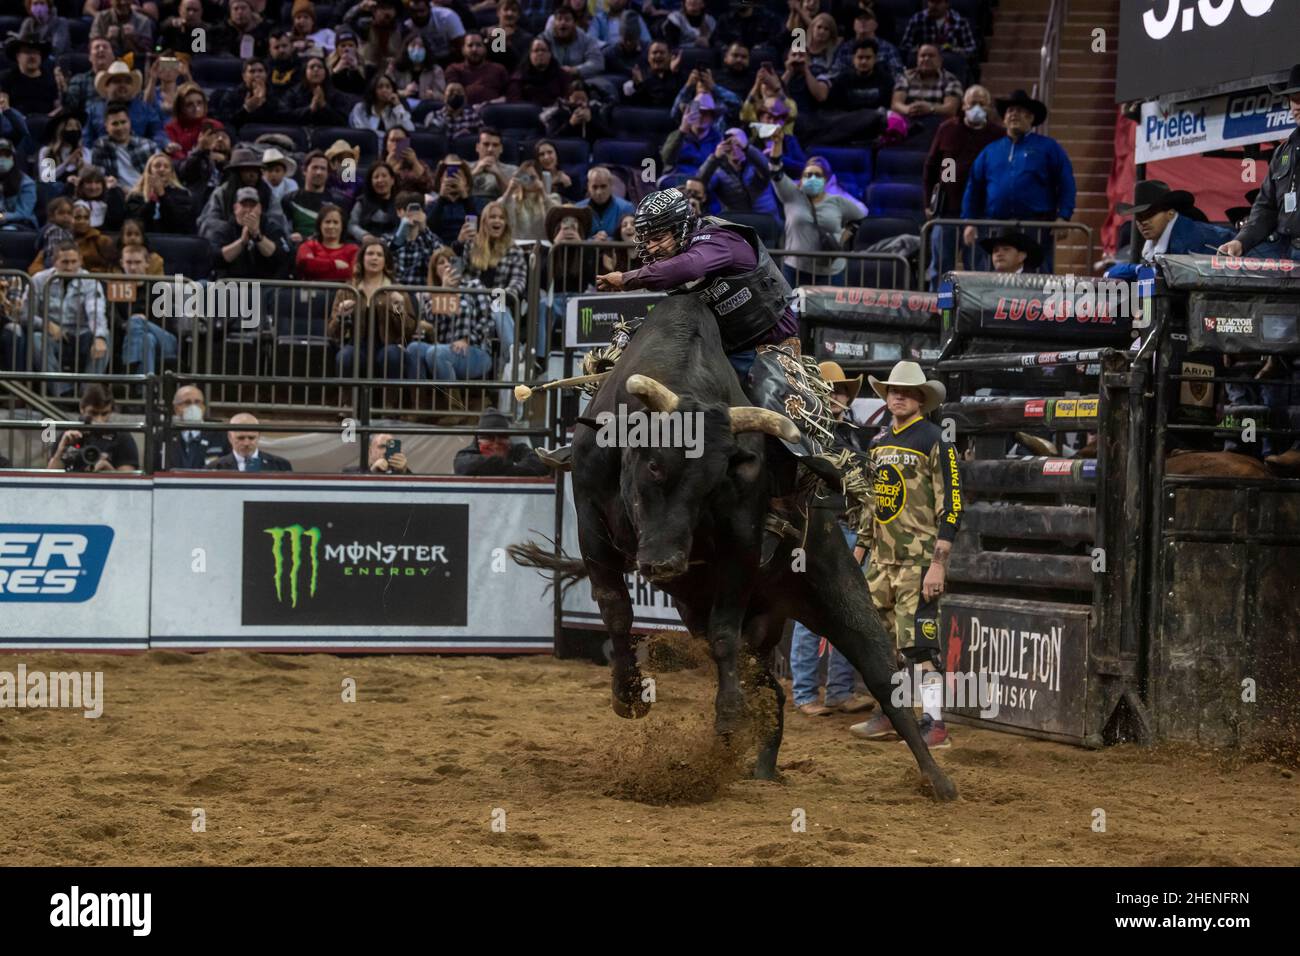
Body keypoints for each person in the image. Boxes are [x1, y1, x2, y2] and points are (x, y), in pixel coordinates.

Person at [848, 361, 961, 749]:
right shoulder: (878, 443)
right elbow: (871, 503)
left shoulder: (936, 440)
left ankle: (936, 723)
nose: (898, 395)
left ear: (921, 399)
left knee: (919, 642)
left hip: (918, 559)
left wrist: (937, 564)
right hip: (881, 559)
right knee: (879, 639)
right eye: (893, 389)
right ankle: (890, 712)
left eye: (907, 391)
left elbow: (952, 504)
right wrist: (859, 552)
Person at [789, 361, 874, 717]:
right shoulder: (806, 434)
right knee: (812, 608)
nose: (837, 396)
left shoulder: (849, 434)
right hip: (821, 526)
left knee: (851, 610)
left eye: (841, 390)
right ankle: (806, 692)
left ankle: (838, 690)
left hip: (850, 525)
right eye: (831, 390)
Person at [961, 89, 1076, 274]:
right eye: (1010, 111)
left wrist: (1064, 215)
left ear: (1031, 118)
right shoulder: (989, 150)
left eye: (1020, 111)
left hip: (1037, 226)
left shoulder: (1048, 147)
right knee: (992, 278)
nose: (1014, 114)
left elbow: (1066, 181)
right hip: (996, 225)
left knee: (1039, 277)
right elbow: (972, 185)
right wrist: (968, 220)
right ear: (1004, 118)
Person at [1217, 65, 1300, 262]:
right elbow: (1266, 207)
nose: (1295, 106)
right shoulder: (1283, 152)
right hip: (1291, 252)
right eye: (1292, 99)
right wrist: (1241, 241)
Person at [924, 83, 1002, 286]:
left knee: (979, 270)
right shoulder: (948, 129)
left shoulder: (997, 135)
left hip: (981, 215)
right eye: (972, 103)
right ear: (964, 106)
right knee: (940, 269)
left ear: (989, 107)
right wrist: (928, 202)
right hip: (948, 212)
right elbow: (934, 166)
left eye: (982, 103)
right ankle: (939, 312)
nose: (977, 107)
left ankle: (977, 315)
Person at [769, 147, 865, 286]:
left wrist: (845, 235)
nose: (813, 178)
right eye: (808, 175)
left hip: (831, 273)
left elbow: (860, 216)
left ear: (825, 180)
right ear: (801, 179)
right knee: (795, 307)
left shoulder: (837, 201)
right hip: (795, 270)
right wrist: (777, 143)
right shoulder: (791, 195)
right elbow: (775, 171)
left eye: (818, 175)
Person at [328, 238, 418, 380]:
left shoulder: (397, 290)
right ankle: (348, 402)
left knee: (392, 355)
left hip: (389, 345)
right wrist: (341, 317)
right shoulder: (348, 289)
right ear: (362, 258)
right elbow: (332, 333)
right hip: (357, 346)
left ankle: (388, 402)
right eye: (370, 254)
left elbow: (409, 331)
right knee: (345, 356)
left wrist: (399, 311)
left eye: (379, 255)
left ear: (385, 261)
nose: (374, 258)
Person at [27, 241, 110, 395]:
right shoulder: (39, 280)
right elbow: (26, 313)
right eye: (65, 262)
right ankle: (62, 392)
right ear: (55, 262)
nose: (70, 267)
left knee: (104, 337)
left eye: (74, 262)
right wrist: (46, 324)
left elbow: (96, 311)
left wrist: (99, 336)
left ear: (81, 261)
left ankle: (87, 393)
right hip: (54, 337)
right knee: (36, 338)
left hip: (82, 334)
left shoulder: (90, 280)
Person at [1107, 181, 1231, 281]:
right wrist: (1139, 269)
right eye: (1139, 216)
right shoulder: (1156, 240)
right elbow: (1109, 273)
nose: (1143, 222)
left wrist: (1143, 271)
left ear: (1170, 214)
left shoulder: (1190, 240)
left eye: (1151, 214)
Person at [408, 246, 495, 380]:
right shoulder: (433, 295)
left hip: (475, 350)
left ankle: (452, 400)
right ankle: (420, 399)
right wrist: (444, 291)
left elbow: (487, 321)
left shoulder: (474, 286)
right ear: (435, 271)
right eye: (441, 262)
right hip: (443, 348)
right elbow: (431, 321)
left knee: (435, 353)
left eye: (451, 261)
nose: (447, 264)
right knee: (414, 348)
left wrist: (467, 339)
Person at [457, 199, 529, 352]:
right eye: (493, 217)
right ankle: (514, 357)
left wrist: (502, 296)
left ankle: (513, 356)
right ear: (484, 222)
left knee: (497, 309)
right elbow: (459, 274)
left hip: (500, 299)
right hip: (473, 300)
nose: (498, 221)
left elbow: (519, 281)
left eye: (501, 217)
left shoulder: (514, 250)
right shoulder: (471, 245)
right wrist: (459, 244)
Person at [113, 241, 178, 375]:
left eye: (137, 262)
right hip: (138, 340)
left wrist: (140, 322)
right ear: (121, 263)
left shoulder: (158, 287)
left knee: (137, 322)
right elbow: (115, 320)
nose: (133, 267)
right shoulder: (116, 289)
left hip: (165, 339)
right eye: (129, 262)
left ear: (147, 263)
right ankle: (143, 389)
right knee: (146, 339)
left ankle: (130, 370)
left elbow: (164, 321)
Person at [203, 186, 292, 281]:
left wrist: (258, 237)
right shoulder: (223, 229)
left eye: (252, 205)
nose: (248, 210)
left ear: (260, 208)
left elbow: (282, 256)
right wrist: (242, 242)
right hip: (231, 288)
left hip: (266, 287)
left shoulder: (272, 228)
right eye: (244, 205)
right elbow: (215, 258)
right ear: (235, 208)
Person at [46, 383, 139, 472]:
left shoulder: (121, 436)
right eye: (93, 413)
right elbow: (48, 480)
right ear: (82, 408)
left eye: (104, 413)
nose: (99, 420)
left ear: (111, 410)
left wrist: (109, 470)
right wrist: (60, 452)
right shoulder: (69, 436)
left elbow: (130, 482)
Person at [696, 126, 775, 216]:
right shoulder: (719, 172)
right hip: (740, 223)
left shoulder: (756, 165)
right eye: (729, 144)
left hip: (766, 218)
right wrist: (715, 158)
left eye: (738, 144)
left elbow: (768, 169)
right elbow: (699, 184)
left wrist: (746, 148)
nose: (734, 148)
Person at [453, 407, 549, 476]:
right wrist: (512, 466)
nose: (496, 443)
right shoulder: (465, 456)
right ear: (478, 439)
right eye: (489, 437)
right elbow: (464, 465)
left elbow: (539, 463)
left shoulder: (519, 449)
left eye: (502, 436)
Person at [90, 101, 157, 193]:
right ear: (106, 127)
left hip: (147, 194)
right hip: (118, 196)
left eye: (123, 122)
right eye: (115, 124)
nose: (120, 127)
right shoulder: (101, 146)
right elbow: (100, 177)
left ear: (129, 122)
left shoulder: (148, 145)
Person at [162, 384, 230, 470]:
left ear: (204, 407)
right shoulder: (164, 435)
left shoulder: (220, 433)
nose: (193, 407)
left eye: (197, 402)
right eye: (187, 402)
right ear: (176, 409)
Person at [124, 151, 195, 234]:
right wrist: (152, 199)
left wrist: (162, 195)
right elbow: (137, 222)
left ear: (171, 172)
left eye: (166, 167)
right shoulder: (135, 195)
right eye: (157, 166)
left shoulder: (182, 194)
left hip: (173, 239)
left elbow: (179, 223)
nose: (162, 169)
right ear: (149, 171)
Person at [890, 43, 962, 124]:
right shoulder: (906, 77)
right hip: (909, 121)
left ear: (940, 60)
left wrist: (930, 109)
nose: (926, 59)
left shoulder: (951, 80)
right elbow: (896, 104)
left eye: (931, 56)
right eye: (923, 56)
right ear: (917, 60)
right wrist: (909, 109)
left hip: (937, 124)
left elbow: (951, 110)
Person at [899, 0, 977, 67]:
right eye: (931, 2)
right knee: (913, 58)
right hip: (923, 62)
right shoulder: (917, 19)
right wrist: (921, 50)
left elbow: (971, 49)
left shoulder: (959, 21)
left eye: (938, 2)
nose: (934, 6)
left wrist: (954, 50)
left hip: (949, 61)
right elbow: (905, 46)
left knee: (955, 60)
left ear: (947, 4)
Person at [279, 55, 352, 126]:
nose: (316, 69)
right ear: (305, 72)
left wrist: (324, 106)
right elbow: (283, 116)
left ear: (325, 72)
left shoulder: (336, 95)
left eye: (320, 67)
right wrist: (310, 109)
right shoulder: (293, 93)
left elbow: (343, 121)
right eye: (312, 67)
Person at [2, 26, 59, 116]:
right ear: (17, 56)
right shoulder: (6, 78)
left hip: (47, 123)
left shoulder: (51, 79)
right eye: (27, 52)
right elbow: (4, 107)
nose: (32, 56)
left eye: (36, 52)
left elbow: (58, 106)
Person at [295, 204, 360, 282]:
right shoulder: (308, 246)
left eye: (335, 222)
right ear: (320, 225)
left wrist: (318, 268)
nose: (331, 226)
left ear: (342, 226)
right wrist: (334, 264)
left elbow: (352, 273)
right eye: (327, 222)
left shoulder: (353, 249)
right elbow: (305, 265)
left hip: (343, 293)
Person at [389, 191, 442, 284]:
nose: (413, 214)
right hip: (398, 294)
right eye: (408, 209)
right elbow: (388, 261)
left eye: (417, 209)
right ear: (398, 212)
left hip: (424, 294)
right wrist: (402, 231)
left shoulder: (433, 239)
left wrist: (424, 230)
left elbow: (437, 266)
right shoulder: (387, 239)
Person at [349, 73, 415, 147]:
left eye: (388, 87)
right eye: (380, 87)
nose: (384, 90)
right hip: (366, 147)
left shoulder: (396, 110)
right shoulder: (360, 108)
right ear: (373, 90)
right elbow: (363, 133)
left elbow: (410, 129)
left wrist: (398, 106)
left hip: (391, 149)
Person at [212, 413, 294, 472]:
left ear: (259, 436)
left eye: (251, 438)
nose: (246, 443)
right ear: (230, 437)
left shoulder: (280, 465)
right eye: (241, 438)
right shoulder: (214, 467)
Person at [445, 32, 509, 104]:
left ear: (485, 48)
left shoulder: (498, 69)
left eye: (478, 45)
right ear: (463, 50)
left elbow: (508, 96)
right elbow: (453, 98)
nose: (474, 49)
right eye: (470, 45)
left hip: (493, 111)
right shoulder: (454, 69)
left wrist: (491, 104)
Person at [163, 83, 224, 161]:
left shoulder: (215, 125)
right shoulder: (171, 128)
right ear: (180, 107)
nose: (196, 108)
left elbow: (223, 155)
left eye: (199, 103)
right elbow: (179, 160)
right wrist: (199, 150)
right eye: (189, 104)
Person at [541, 6, 604, 79]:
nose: (563, 23)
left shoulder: (585, 39)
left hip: (578, 80)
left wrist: (576, 70)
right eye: (559, 19)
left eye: (567, 19)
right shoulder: (544, 38)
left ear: (574, 23)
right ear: (554, 22)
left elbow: (597, 63)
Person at [348, 161, 400, 242]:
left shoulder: (400, 202)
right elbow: (352, 225)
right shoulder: (362, 202)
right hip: (366, 246)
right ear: (371, 182)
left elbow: (403, 227)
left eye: (384, 176)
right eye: (376, 177)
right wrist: (364, 235)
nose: (380, 180)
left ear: (392, 180)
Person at [508, 37, 568, 107]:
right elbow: (514, 106)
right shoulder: (518, 79)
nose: (540, 53)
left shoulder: (561, 76)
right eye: (536, 50)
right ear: (530, 54)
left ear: (550, 54)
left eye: (543, 50)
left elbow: (567, 99)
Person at [576, 166, 634, 239]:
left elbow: (632, 237)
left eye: (603, 186)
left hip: (618, 250)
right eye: (595, 187)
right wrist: (592, 242)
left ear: (611, 185)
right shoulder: (578, 209)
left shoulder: (626, 208)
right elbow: (575, 237)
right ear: (588, 187)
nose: (599, 192)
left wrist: (608, 241)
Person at [89, 0, 155, 58]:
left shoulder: (143, 21)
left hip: (135, 61)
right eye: (118, 0)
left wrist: (134, 39)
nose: (123, 2)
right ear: (110, 1)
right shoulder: (100, 18)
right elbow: (92, 47)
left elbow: (147, 53)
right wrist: (107, 39)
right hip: (107, 63)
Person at [469, 127, 518, 203]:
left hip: (499, 210)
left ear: (501, 148)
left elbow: (516, 197)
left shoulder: (513, 170)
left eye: (495, 145)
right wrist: (475, 171)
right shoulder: (465, 167)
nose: (490, 149)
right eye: (486, 144)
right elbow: (455, 191)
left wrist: (498, 173)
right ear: (477, 147)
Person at [0, 139, 38, 231]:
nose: (2, 159)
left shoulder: (27, 183)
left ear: (13, 158)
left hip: (21, 224)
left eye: (6, 155)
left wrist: (1, 216)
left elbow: (23, 213)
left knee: (7, 230)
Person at [343, 432, 413, 474]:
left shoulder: (401, 472)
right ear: (370, 451)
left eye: (389, 447)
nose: (385, 451)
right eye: (381, 447)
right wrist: (372, 472)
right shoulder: (350, 472)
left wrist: (404, 471)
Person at [979, 230, 1044, 274]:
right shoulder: (988, 281)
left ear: (1021, 256)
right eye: (995, 251)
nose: (999, 254)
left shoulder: (1034, 282)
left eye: (1006, 249)